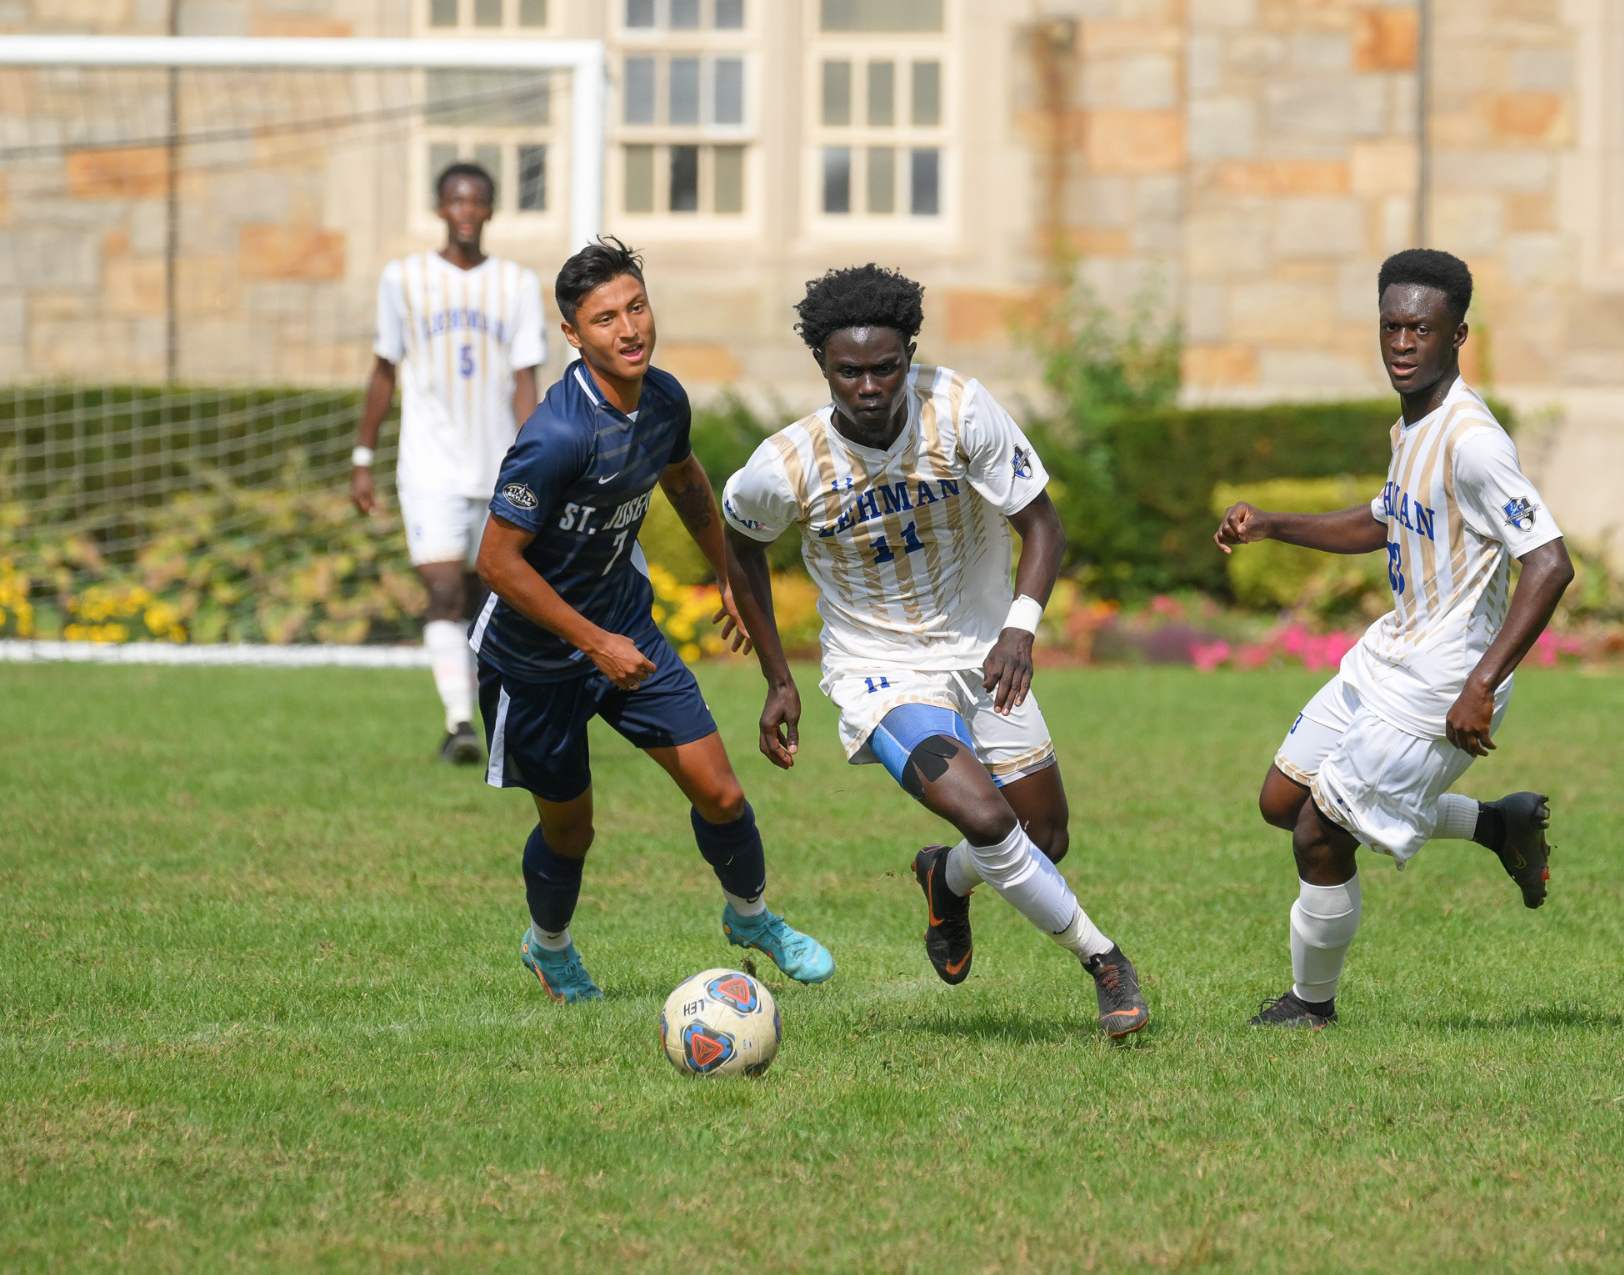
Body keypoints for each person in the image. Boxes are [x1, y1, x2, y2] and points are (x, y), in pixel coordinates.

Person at [717, 264, 1150, 1040]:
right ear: (822, 366)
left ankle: (943, 877)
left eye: (886, 367)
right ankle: (1106, 961)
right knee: (985, 815)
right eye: (849, 372)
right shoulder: (785, 465)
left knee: (1043, 838)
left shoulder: (959, 410)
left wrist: (1019, 628)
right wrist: (779, 679)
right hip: (878, 669)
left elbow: (1042, 526)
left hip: (984, 647)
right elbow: (741, 546)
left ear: (909, 354)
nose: (869, 387)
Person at [1214, 249, 1574, 1030]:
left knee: (1319, 835)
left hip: (1444, 679)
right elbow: (1384, 519)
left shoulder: (1473, 441)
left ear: (1458, 335)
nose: (1403, 343)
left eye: (1421, 329)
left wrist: (1479, 686)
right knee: (1283, 800)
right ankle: (1497, 824)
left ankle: (1311, 1006)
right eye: (1391, 327)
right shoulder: (1412, 424)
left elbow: (1550, 564)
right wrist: (1273, 524)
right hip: (1392, 652)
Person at [472, 237, 833, 1003]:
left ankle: (750, 917)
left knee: (722, 794)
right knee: (572, 831)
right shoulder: (556, 437)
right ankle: (549, 948)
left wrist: (726, 574)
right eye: (605, 319)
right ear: (573, 334)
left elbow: (684, 478)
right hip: (535, 662)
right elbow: (497, 563)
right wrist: (593, 643)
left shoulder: (663, 399)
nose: (629, 329)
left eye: (636, 307)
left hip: (626, 631)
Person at [353, 161, 546, 765]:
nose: (467, 211)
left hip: (498, 469)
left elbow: (526, 379)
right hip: (429, 467)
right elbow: (384, 369)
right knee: (442, 590)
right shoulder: (404, 278)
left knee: (488, 601)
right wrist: (362, 457)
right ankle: (460, 722)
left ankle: (498, 721)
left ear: (490, 210)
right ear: (440, 209)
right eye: (457, 201)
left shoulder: (516, 283)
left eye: (477, 201)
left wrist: (537, 459)